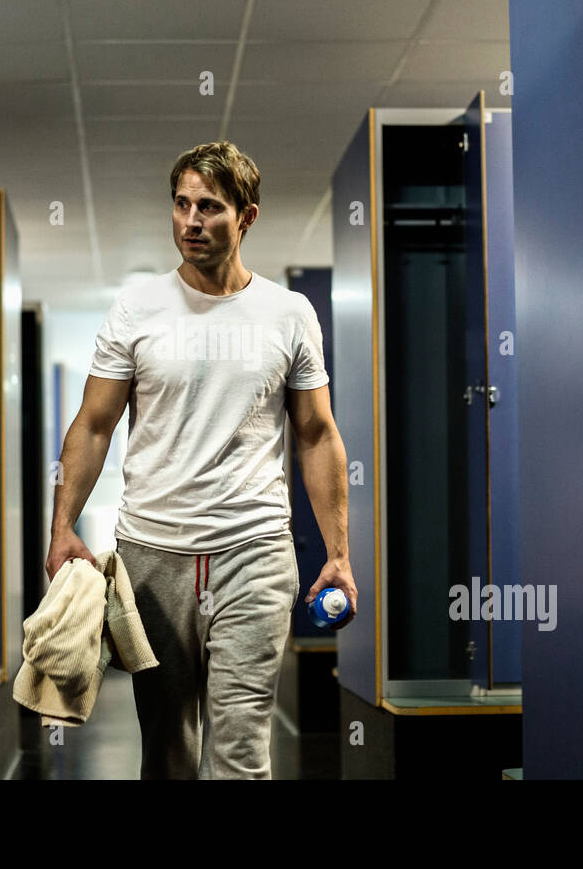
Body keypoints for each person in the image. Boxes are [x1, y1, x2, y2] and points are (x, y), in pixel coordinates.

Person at [45, 140, 356, 779]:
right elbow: (94, 425)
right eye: (182, 204)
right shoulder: (138, 309)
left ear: (246, 216)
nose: (191, 220)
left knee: (241, 751)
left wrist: (339, 553)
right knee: (167, 748)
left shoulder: (288, 314)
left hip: (255, 553)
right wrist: (62, 527)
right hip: (152, 555)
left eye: (209, 206)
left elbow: (317, 435)